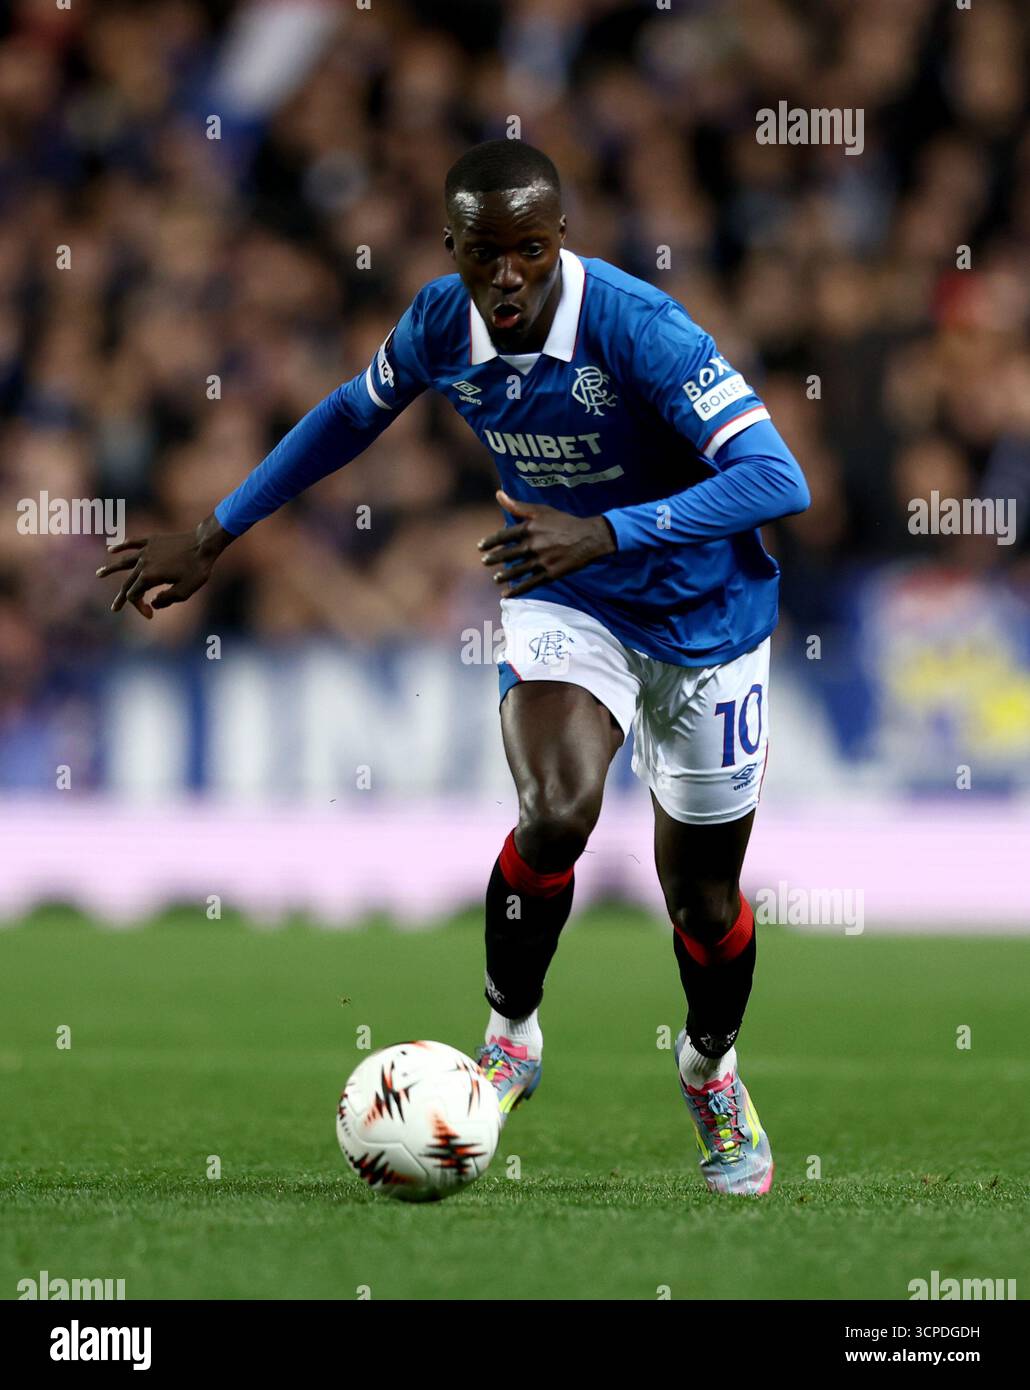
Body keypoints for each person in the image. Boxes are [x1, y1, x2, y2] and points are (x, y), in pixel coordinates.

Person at [97, 139, 810, 1196]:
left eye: (529, 248)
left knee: (702, 901)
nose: (508, 274)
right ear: (454, 249)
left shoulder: (638, 328)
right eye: (486, 253)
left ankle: (709, 1066)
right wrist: (214, 528)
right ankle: (510, 1033)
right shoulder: (439, 322)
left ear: (559, 240)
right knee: (555, 813)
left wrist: (610, 529)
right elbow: (349, 413)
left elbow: (776, 477)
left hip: (710, 623)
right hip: (564, 598)